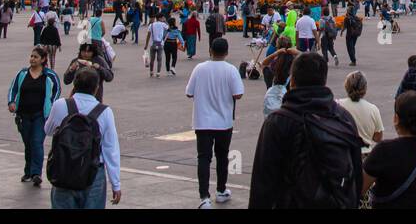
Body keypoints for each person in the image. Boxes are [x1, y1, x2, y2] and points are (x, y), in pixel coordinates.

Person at [248, 52, 364, 209]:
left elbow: (262, 186)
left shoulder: (278, 122)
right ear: (324, 80)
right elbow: (356, 178)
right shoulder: (343, 117)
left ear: (292, 80)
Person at [44, 66, 121, 209]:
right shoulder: (104, 112)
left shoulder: (60, 105)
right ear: (96, 87)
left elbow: (47, 130)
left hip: (64, 169)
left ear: (74, 84)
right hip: (93, 173)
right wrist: (115, 184)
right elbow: (111, 150)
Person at [184, 37, 245, 208]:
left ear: (210, 50)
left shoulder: (199, 68)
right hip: (224, 122)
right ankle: (221, 190)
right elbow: (238, 94)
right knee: (222, 156)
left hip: (202, 121)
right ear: (226, 52)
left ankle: (204, 197)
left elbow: (189, 93)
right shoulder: (231, 70)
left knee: (203, 158)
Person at [8, 46, 62, 187]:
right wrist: (11, 102)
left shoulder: (49, 75)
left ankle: (36, 173)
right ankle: (28, 171)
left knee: (37, 141)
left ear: (43, 59)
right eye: (31, 56)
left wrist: (52, 106)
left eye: (35, 57)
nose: (32, 59)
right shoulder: (23, 73)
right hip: (23, 114)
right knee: (28, 143)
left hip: (40, 115)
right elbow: (13, 89)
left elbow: (57, 90)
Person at [337, 71, 384, 151]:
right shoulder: (373, 109)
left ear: (346, 86)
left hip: (344, 152)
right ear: (365, 88)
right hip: (365, 154)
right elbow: (378, 138)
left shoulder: (337, 105)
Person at [146, 13, 169, 78]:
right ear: (160, 18)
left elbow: (148, 35)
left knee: (152, 59)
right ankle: (158, 73)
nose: (163, 19)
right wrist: (165, 21)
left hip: (153, 44)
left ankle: (151, 72)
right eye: (162, 18)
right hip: (160, 44)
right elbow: (169, 29)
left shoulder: (151, 25)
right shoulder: (163, 24)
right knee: (159, 59)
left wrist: (146, 45)